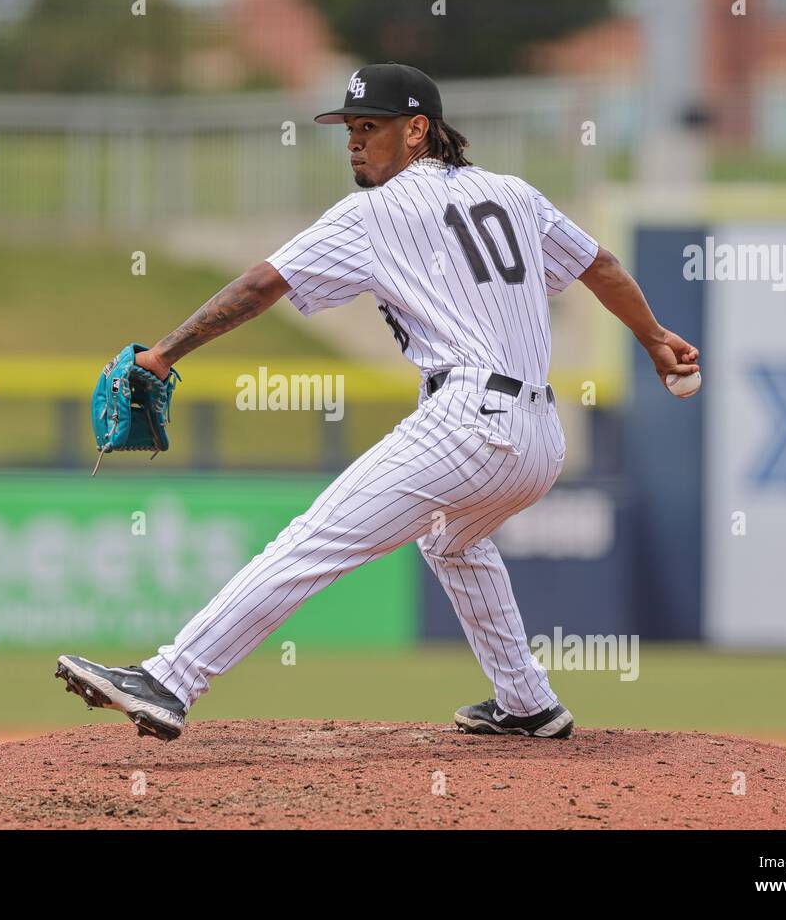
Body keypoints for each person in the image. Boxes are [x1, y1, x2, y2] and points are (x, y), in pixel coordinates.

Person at [55, 63, 700, 742]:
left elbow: (260, 285)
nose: (355, 142)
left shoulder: (375, 212)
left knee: (312, 539)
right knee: (451, 540)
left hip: (469, 422)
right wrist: (654, 340)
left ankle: (168, 680)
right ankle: (528, 702)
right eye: (350, 128)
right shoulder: (513, 192)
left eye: (371, 127)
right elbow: (600, 266)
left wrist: (162, 354)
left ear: (418, 129)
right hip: (539, 438)